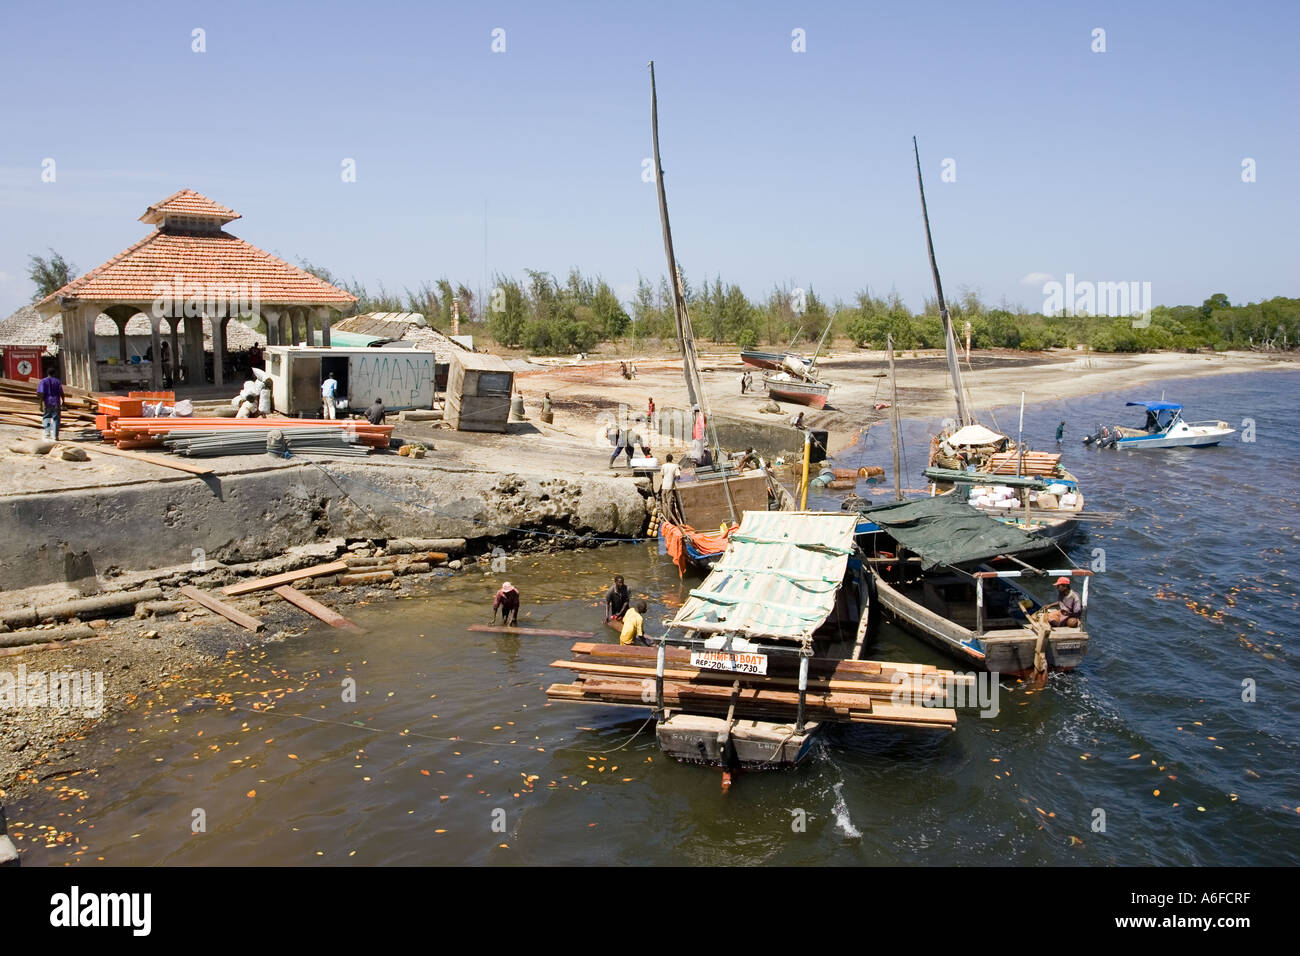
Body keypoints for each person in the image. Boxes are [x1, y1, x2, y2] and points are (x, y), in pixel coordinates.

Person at [37, 370, 64, 440]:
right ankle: (55, 436)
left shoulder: (43, 381)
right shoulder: (57, 381)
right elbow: (61, 392)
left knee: (46, 417)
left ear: (47, 373)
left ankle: (47, 433)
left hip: (47, 402)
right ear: (54, 373)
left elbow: (41, 393)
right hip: (56, 402)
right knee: (56, 419)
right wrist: (63, 401)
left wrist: (40, 404)